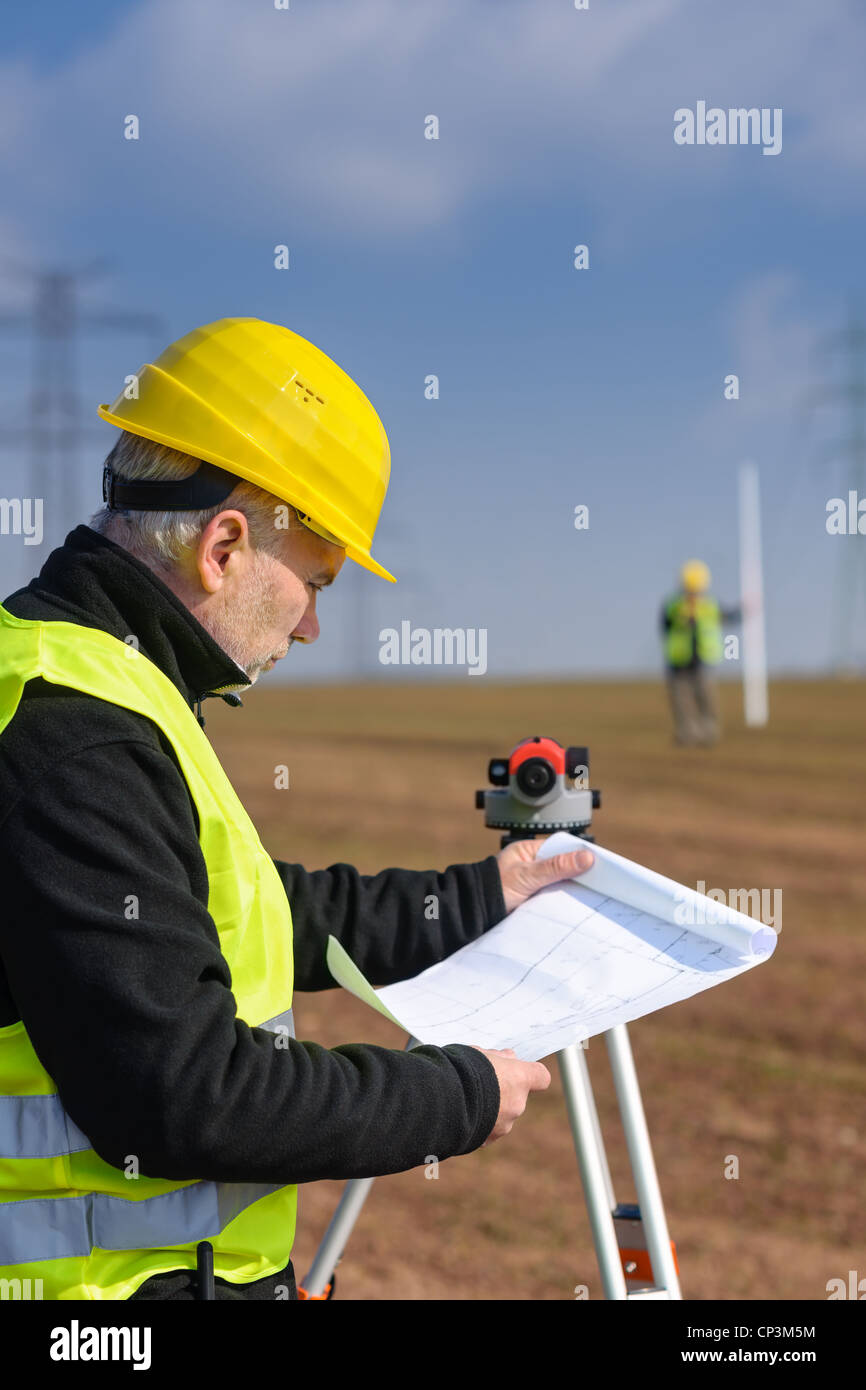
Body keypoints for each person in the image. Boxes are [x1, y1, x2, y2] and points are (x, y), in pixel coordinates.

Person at [0, 317, 594, 1301]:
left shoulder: (92, 677)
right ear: (225, 544)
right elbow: (185, 1092)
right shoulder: (75, 731)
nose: (313, 626)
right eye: (314, 583)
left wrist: (479, 892)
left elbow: (252, 912)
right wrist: (456, 1094)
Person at [660, 559, 741, 746]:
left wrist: (743, 611)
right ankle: (687, 734)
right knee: (682, 700)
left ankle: (709, 733)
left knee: (706, 697)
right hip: (679, 659)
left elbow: (727, 616)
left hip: (703, 659)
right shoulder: (674, 606)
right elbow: (666, 626)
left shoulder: (710, 604)